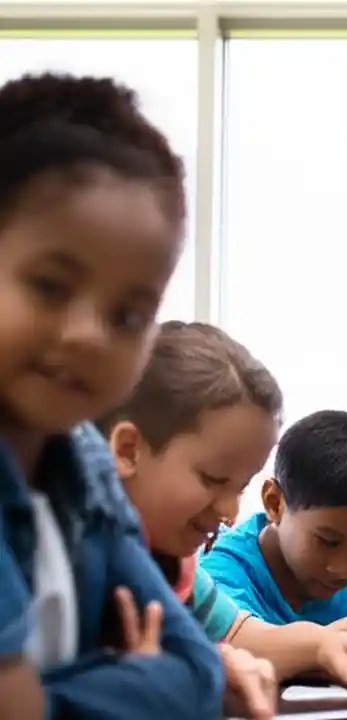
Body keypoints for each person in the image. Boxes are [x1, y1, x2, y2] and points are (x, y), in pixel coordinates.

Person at [0, 72, 222, 719]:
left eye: (128, 315)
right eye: (49, 286)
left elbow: (197, 673)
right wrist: (127, 678)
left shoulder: (83, 468)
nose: (89, 336)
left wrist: (55, 692)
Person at [99, 321, 347, 701]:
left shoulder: (176, 566)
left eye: (239, 488)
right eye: (213, 479)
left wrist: (322, 645)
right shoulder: (73, 545)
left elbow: (242, 637)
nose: (231, 512)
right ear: (129, 450)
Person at [201, 410, 347, 668]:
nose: (344, 569)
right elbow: (233, 652)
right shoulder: (216, 577)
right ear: (275, 503)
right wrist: (327, 646)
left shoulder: (343, 591)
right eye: (328, 541)